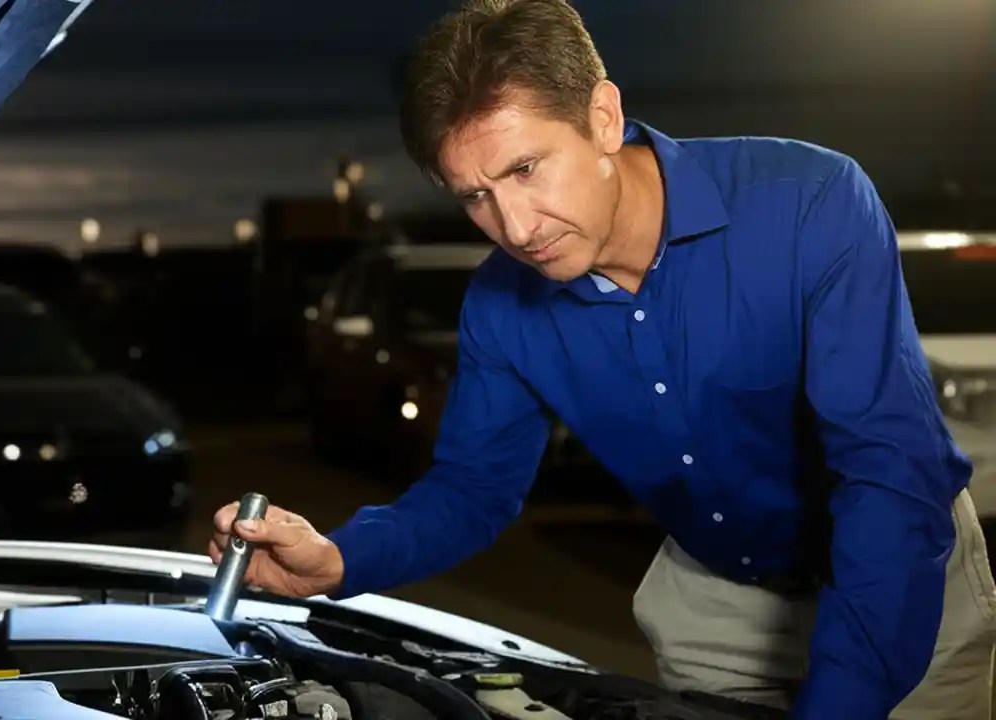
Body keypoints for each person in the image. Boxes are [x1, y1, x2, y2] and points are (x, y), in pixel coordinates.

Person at [209, 1, 996, 717]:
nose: (513, 225)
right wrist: (340, 557)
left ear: (603, 117)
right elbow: (475, 490)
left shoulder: (811, 204)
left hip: (901, 575)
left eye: (524, 169)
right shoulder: (499, 304)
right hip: (715, 601)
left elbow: (889, 477)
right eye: (474, 195)